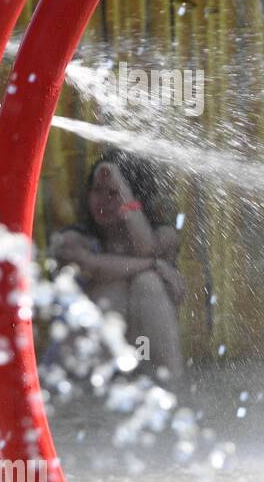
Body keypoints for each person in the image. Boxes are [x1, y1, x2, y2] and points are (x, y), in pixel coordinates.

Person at [50, 151, 185, 382]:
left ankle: (166, 381)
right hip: (85, 366)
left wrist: (123, 188)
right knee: (119, 286)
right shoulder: (74, 239)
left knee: (148, 283)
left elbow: (148, 248)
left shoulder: (164, 236)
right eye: (97, 190)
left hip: (146, 358)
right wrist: (152, 265)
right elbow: (93, 266)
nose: (103, 200)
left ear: (135, 197)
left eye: (114, 193)